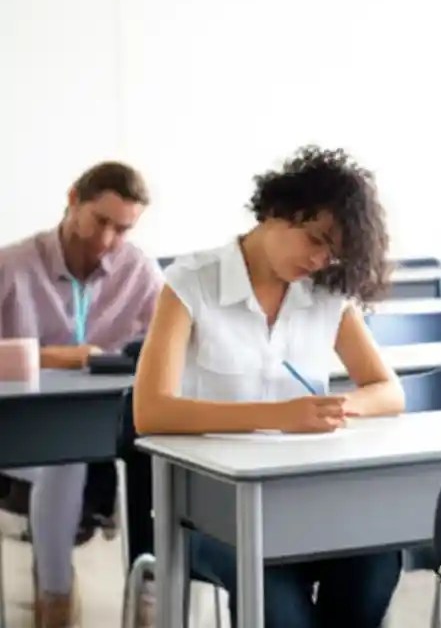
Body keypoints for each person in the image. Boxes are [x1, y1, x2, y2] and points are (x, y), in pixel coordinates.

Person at [132, 147, 405, 627]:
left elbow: (388, 390)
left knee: (377, 560)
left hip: (305, 496)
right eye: (315, 239)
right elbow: (150, 411)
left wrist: (338, 407)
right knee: (278, 604)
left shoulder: (326, 293)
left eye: (332, 253)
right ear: (278, 210)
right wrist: (277, 417)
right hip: (211, 510)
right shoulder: (191, 282)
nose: (319, 260)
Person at [0, 161, 163, 627]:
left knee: (161, 453)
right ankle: (55, 599)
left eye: (123, 229)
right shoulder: (12, 266)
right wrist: (56, 357)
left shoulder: (139, 271)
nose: (107, 240)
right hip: (20, 431)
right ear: (73, 199)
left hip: (110, 428)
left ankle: (150, 592)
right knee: (64, 454)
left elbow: (174, 346)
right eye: (100, 221)